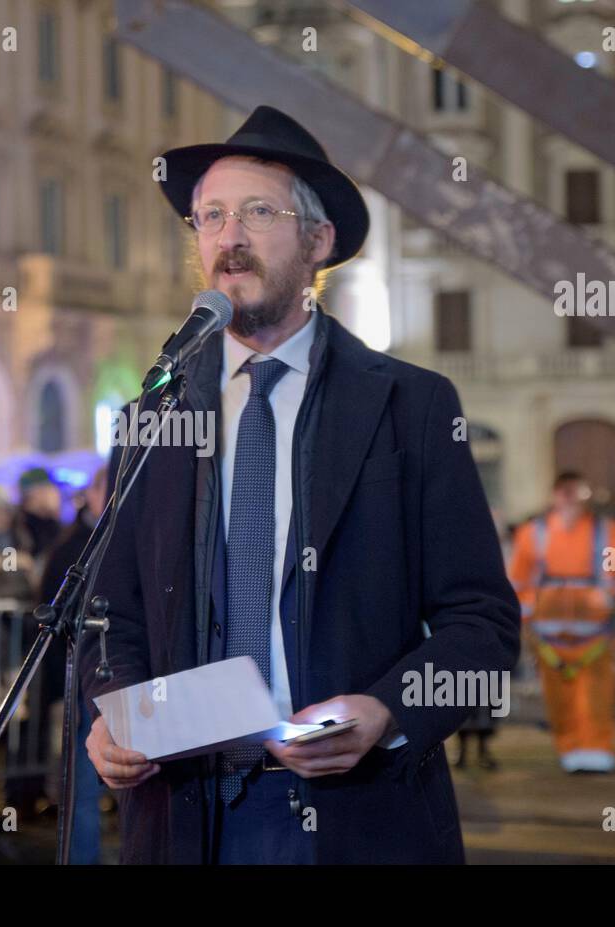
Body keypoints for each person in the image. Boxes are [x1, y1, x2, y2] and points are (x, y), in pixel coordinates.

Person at [78, 105, 519, 864]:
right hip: (184, 817)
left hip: (354, 817)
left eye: (257, 211)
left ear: (318, 242)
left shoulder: (409, 406)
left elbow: (481, 624)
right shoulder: (155, 412)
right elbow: (106, 612)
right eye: (209, 216)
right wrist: (112, 716)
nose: (228, 236)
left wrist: (387, 709)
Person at [508, 472, 615, 773]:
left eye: (575, 492)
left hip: (597, 635)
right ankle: (570, 753)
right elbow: (518, 580)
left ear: (586, 496)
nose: (569, 498)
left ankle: (596, 754)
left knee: (596, 697)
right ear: (553, 495)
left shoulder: (612, 533)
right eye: (563, 492)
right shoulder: (534, 534)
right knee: (559, 700)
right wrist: (522, 622)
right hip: (547, 638)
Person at [39, 466, 108, 864]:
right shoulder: (72, 548)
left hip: (123, 677)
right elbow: (53, 617)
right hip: (84, 682)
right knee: (82, 787)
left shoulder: (123, 533)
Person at [14, 468, 64, 560]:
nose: (57, 495)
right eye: (50, 489)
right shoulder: (16, 527)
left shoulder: (54, 526)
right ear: (33, 493)